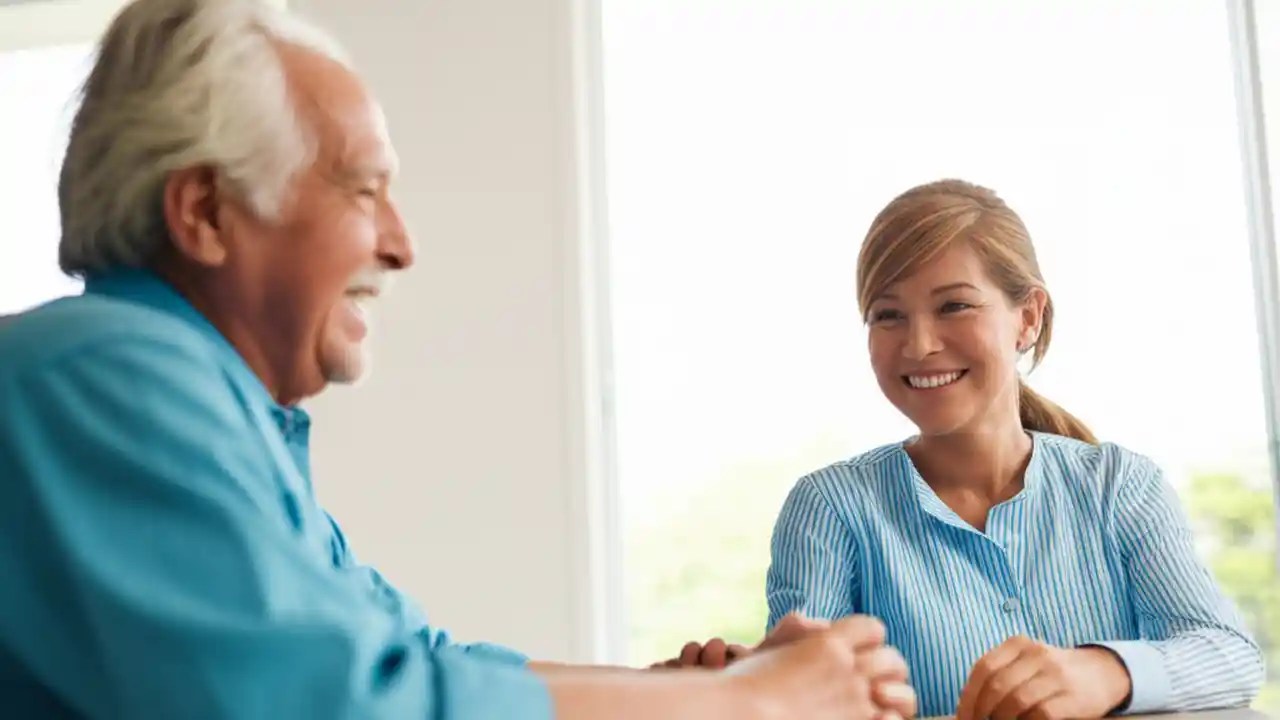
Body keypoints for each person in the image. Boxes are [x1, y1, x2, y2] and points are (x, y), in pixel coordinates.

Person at [0, 1, 919, 718]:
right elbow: (351, 708)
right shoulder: (106, 373)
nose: (401, 246)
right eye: (364, 190)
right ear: (203, 212)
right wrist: (754, 704)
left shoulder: (206, 410)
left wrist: (719, 693)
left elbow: (421, 664)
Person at [757, 179, 1265, 718]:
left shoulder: (1119, 485)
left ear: (1027, 317)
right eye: (888, 315)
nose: (920, 344)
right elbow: (800, 696)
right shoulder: (831, 507)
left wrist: (1104, 671)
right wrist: (746, 681)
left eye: (953, 305)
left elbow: (1229, 655)